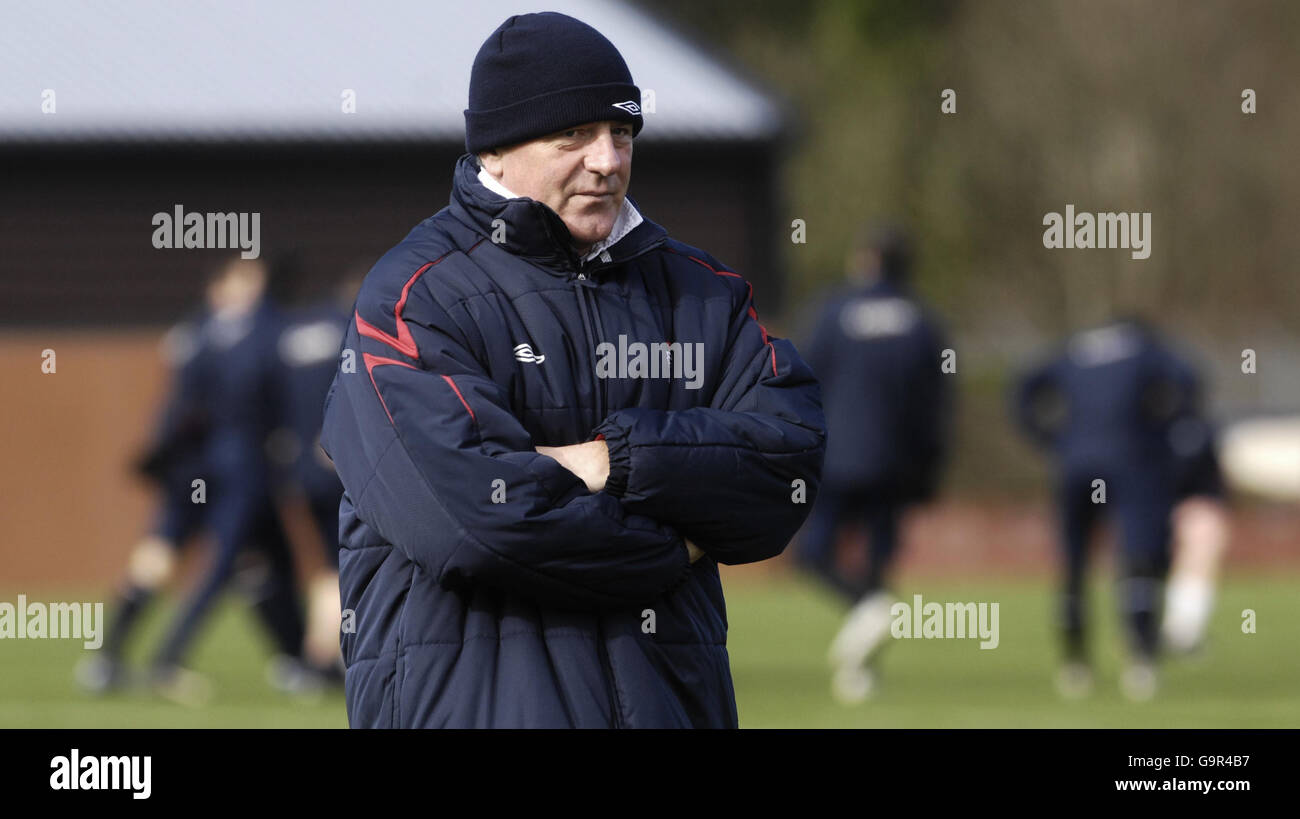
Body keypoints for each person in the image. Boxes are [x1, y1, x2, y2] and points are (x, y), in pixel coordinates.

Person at [320, 11, 825, 728]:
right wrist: (680, 539)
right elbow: (476, 524)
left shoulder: (700, 291)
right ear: (494, 151)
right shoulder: (412, 297)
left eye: (621, 133)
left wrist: (613, 460)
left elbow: (790, 462)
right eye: (574, 136)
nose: (608, 159)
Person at [798, 226, 952, 703]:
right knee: (878, 561)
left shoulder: (834, 311)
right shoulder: (924, 320)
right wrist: (929, 469)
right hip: (896, 463)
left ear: (866, 260)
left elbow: (800, 378)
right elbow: (938, 402)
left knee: (812, 555)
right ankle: (862, 668)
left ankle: (867, 609)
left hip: (838, 457)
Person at [147, 255, 310, 703]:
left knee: (276, 566)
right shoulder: (251, 336)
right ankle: (167, 659)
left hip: (236, 466)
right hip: (243, 469)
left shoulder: (212, 335)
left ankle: (299, 663)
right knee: (224, 564)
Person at [1013, 317, 1198, 701]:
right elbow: (1188, 381)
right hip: (1131, 464)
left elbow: (1022, 389)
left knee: (1073, 564)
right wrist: (1160, 434)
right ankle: (1142, 660)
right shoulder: (1145, 348)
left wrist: (1051, 438)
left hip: (1075, 465)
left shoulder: (1073, 348)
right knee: (1137, 560)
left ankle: (1075, 664)